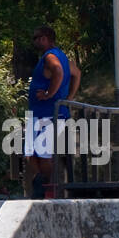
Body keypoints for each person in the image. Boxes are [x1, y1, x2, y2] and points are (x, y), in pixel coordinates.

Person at [25, 25, 81, 198]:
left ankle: (47, 187)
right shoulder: (62, 56)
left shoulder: (50, 57)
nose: (34, 41)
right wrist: (69, 97)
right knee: (33, 153)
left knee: (42, 155)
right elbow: (77, 73)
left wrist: (50, 93)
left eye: (36, 38)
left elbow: (58, 70)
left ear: (44, 38)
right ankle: (45, 185)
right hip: (46, 113)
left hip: (47, 114)